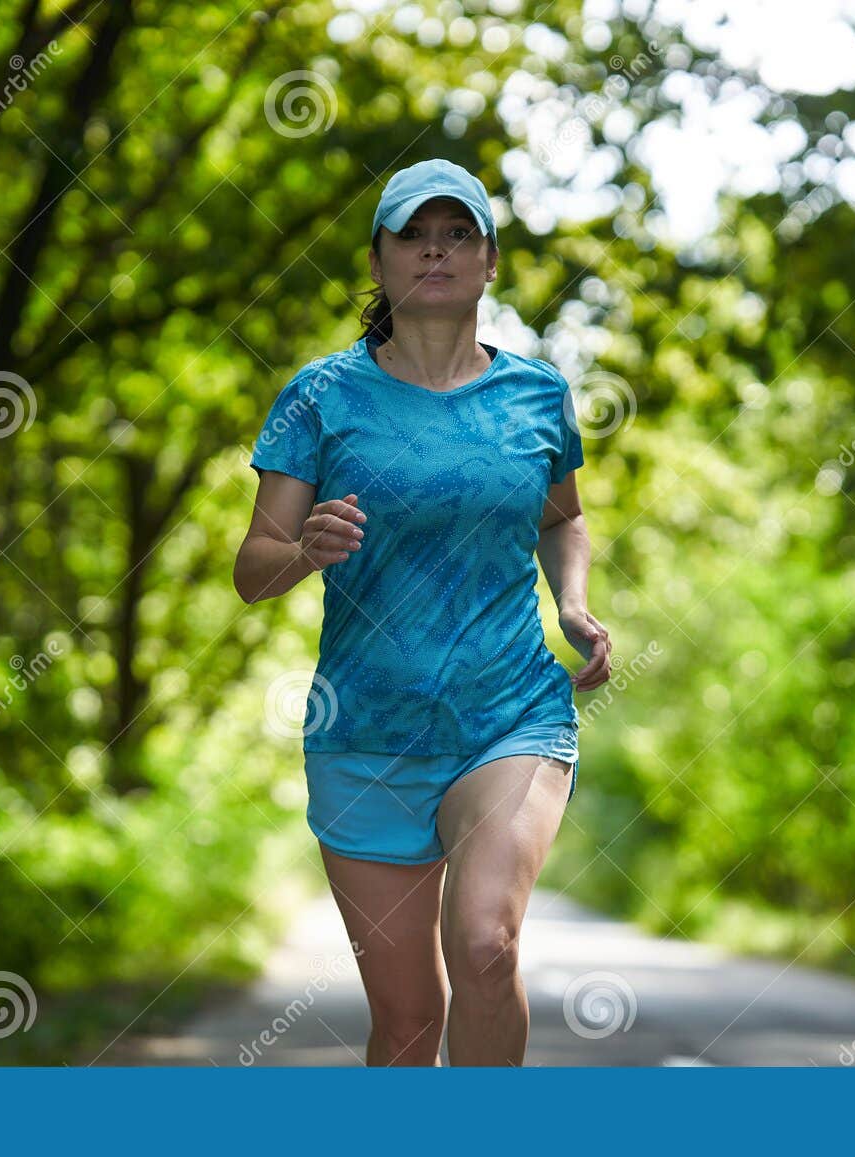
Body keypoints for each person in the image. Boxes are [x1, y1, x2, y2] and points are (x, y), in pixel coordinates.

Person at [234, 158, 612, 1067]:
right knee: (407, 1023)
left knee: (486, 945)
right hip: (365, 729)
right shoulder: (321, 397)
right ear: (378, 262)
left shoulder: (536, 395)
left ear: (489, 263)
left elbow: (563, 518)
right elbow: (252, 569)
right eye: (413, 234)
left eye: (457, 235)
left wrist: (573, 602)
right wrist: (304, 551)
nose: (434, 251)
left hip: (508, 713)